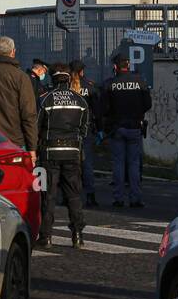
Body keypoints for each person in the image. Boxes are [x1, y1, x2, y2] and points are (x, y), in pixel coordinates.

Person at [36, 64, 89, 248]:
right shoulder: (80, 100)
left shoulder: (45, 99)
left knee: (47, 195)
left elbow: (37, 127)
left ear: (53, 78)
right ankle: (77, 235)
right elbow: (84, 129)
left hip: (49, 153)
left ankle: (46, 236)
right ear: (68, 78)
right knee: (74, 195)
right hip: (73, 153)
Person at [101, 54, 152, 208]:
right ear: (128, 66)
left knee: (118, 164)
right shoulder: (140, 81)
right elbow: (147, 104)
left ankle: (118, 198)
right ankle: (135, 198)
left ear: (115, 67)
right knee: (134, 164)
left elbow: (104, 107)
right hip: (135, 126)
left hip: (117, 127)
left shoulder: (110, 84)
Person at [71, 60, 102, 207]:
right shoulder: (90, 87)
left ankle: (71, 195)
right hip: (86, 130)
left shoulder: (68, 88)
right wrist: (100, 129)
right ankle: (90, 195)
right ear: (82, 71)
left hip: (70, 131)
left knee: (71, 164)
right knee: (87, 163)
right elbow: (97, 111)